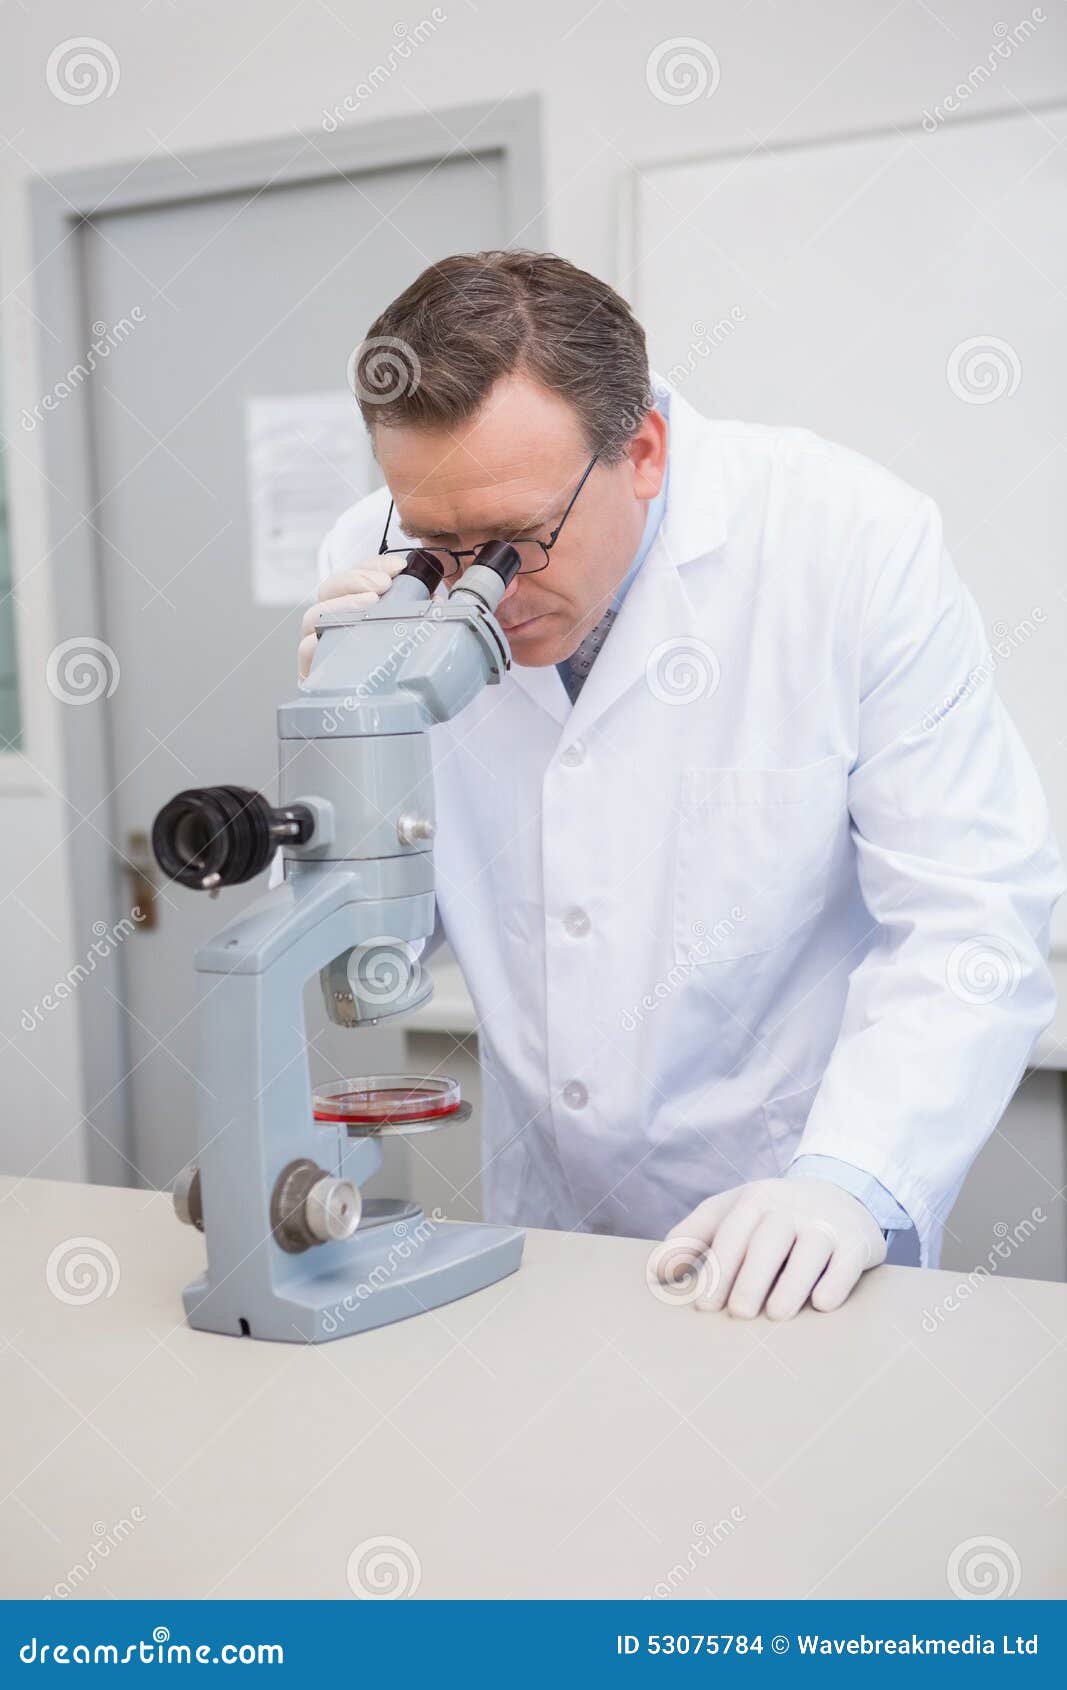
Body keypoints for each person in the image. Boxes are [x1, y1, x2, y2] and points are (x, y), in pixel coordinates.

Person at [299, 250, 1063, 1320]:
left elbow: (971, 913)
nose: (481, 588)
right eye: (440, 542)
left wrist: (847, 1178)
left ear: (642, 450)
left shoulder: (844, 540)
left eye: (518, 541)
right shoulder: (373, 561)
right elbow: (373, 960)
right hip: (544, 1227)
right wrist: (345, 750)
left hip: (790, 1223)